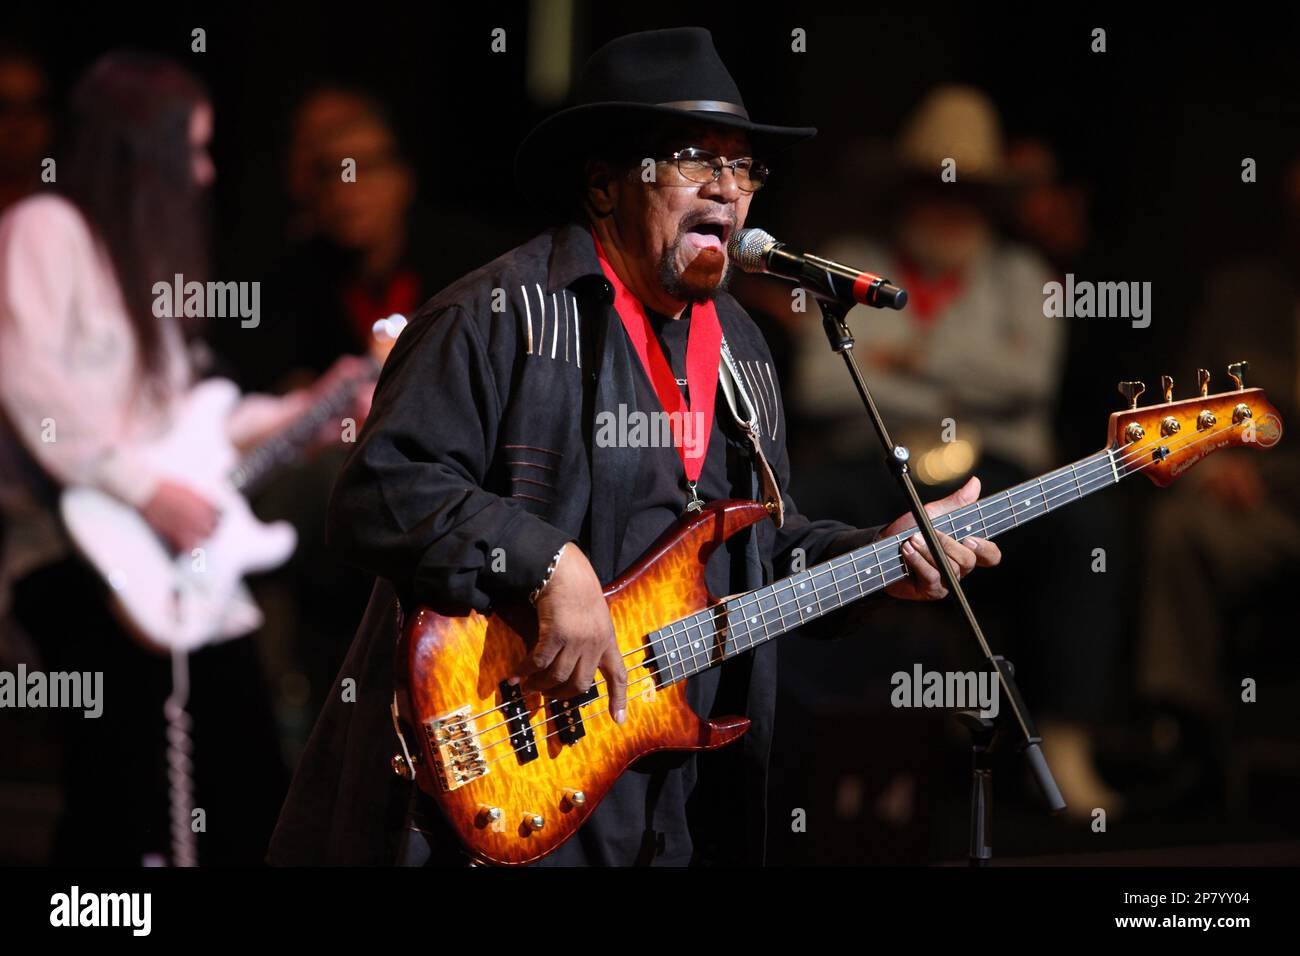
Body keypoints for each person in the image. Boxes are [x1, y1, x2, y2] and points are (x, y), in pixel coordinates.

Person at [268, 27, 1001, 867]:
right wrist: (547, 563)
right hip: (506, 776)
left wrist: (879, 558)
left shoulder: (740, 349)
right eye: (697, 159)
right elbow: (377, 493)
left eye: (742, 167)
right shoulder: (498, 315)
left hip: (674, 798)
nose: (728, 188)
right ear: (606, 184)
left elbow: (763, 546)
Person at [0, 52, 364, 865]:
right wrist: (145, 491)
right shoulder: (43, 231)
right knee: (124, 801)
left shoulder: (140, 273)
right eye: (192, 151)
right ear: (144, 154)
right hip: (73, 559)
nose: (204, 174)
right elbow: (27, 389)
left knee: (244, 782)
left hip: (173, 570)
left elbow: (197, 422)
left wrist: (316, 405)